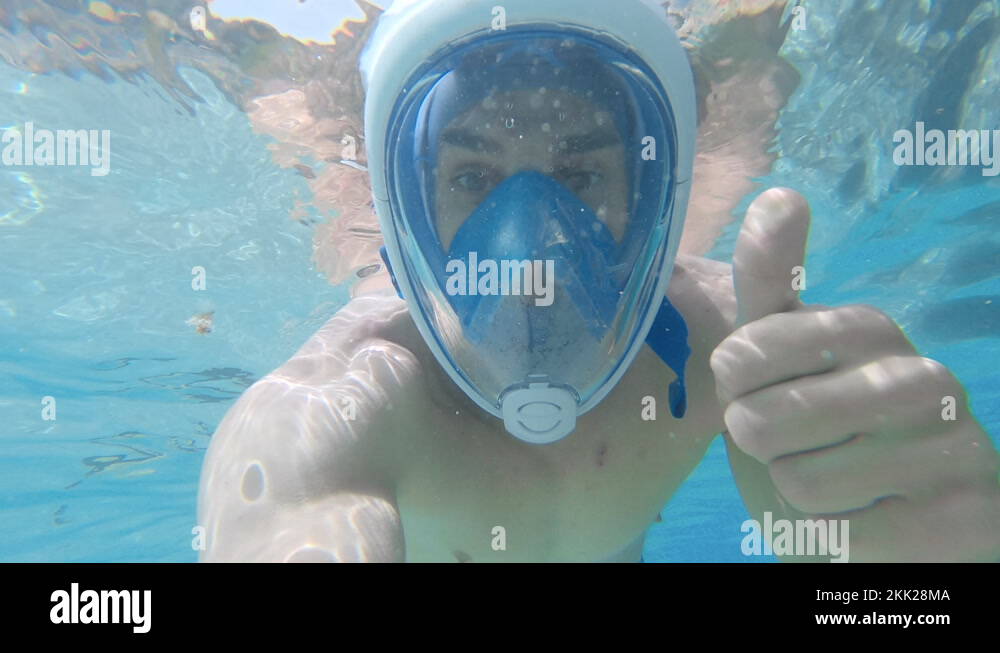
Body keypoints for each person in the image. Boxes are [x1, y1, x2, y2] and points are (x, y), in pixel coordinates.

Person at [197, 0, 1000, 562]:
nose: (532, 249)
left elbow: (854, 559)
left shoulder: (732, 345)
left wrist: (913, 589)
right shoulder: (344, 405)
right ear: (404, 203)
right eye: (474, 178)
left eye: (580, 177)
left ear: (652, 200)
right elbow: (285, 499)